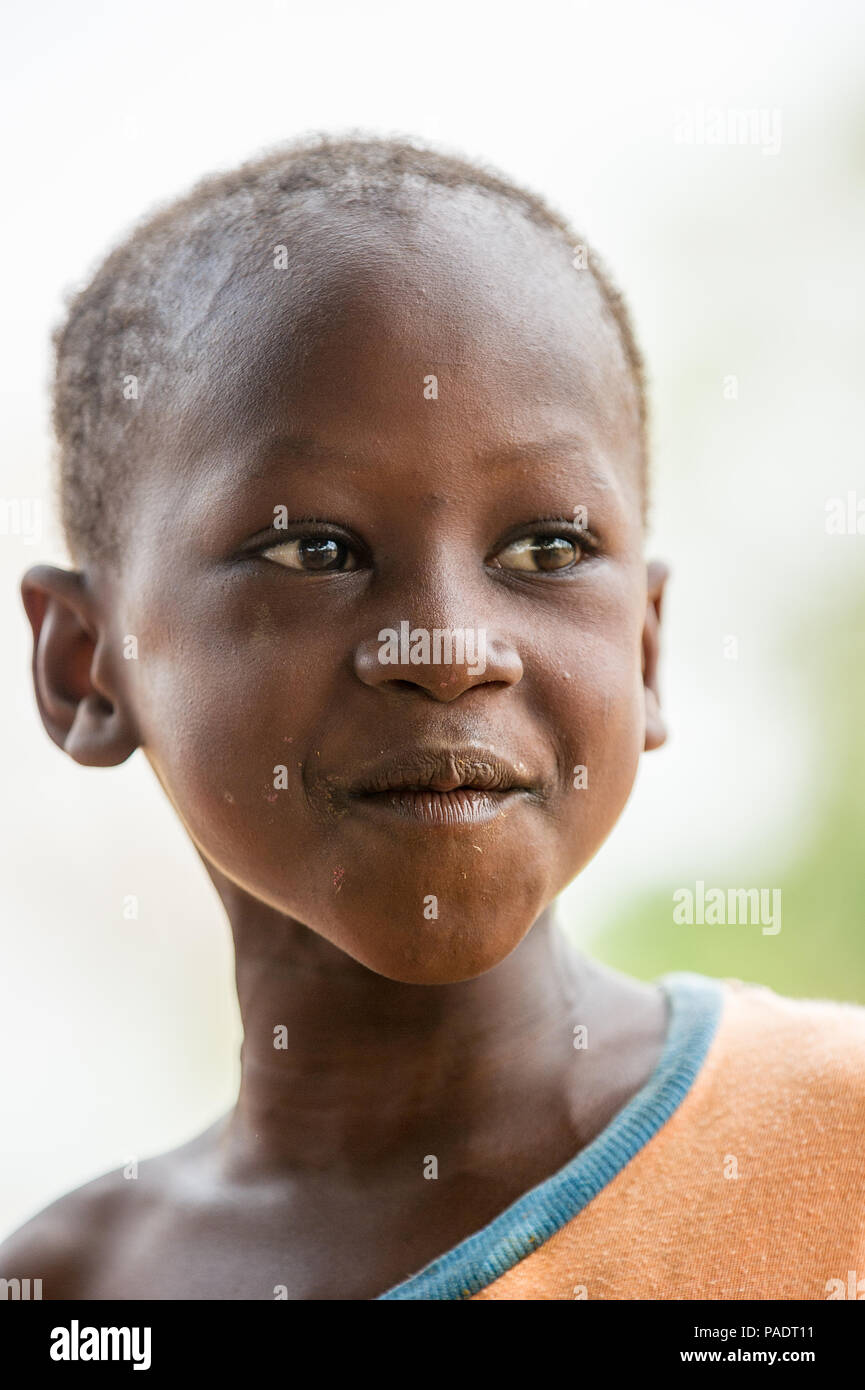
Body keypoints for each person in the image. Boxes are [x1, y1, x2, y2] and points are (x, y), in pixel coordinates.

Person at [3, 134, 864, 1300]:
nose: (449, 651)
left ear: (647, 646)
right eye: (313, 547)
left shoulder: (836, 1140)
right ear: (84, 666)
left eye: (545, 548)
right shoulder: (72, 1294)